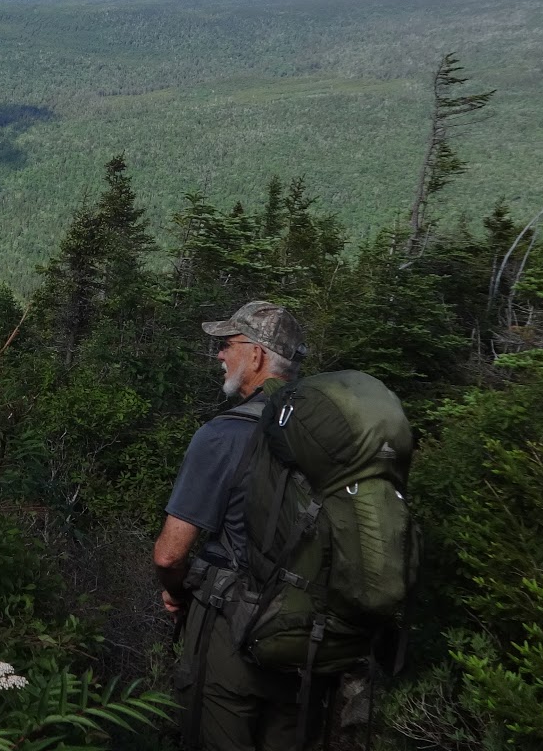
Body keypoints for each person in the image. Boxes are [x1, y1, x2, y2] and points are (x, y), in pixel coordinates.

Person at [152, 300, 315, 751]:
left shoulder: (224, 434)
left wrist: (176, 592)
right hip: (306, 635)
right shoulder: (324, 434)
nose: (220, 356)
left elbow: (169, 553)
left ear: (258, 355)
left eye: (227, 345)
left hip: (231, 631)